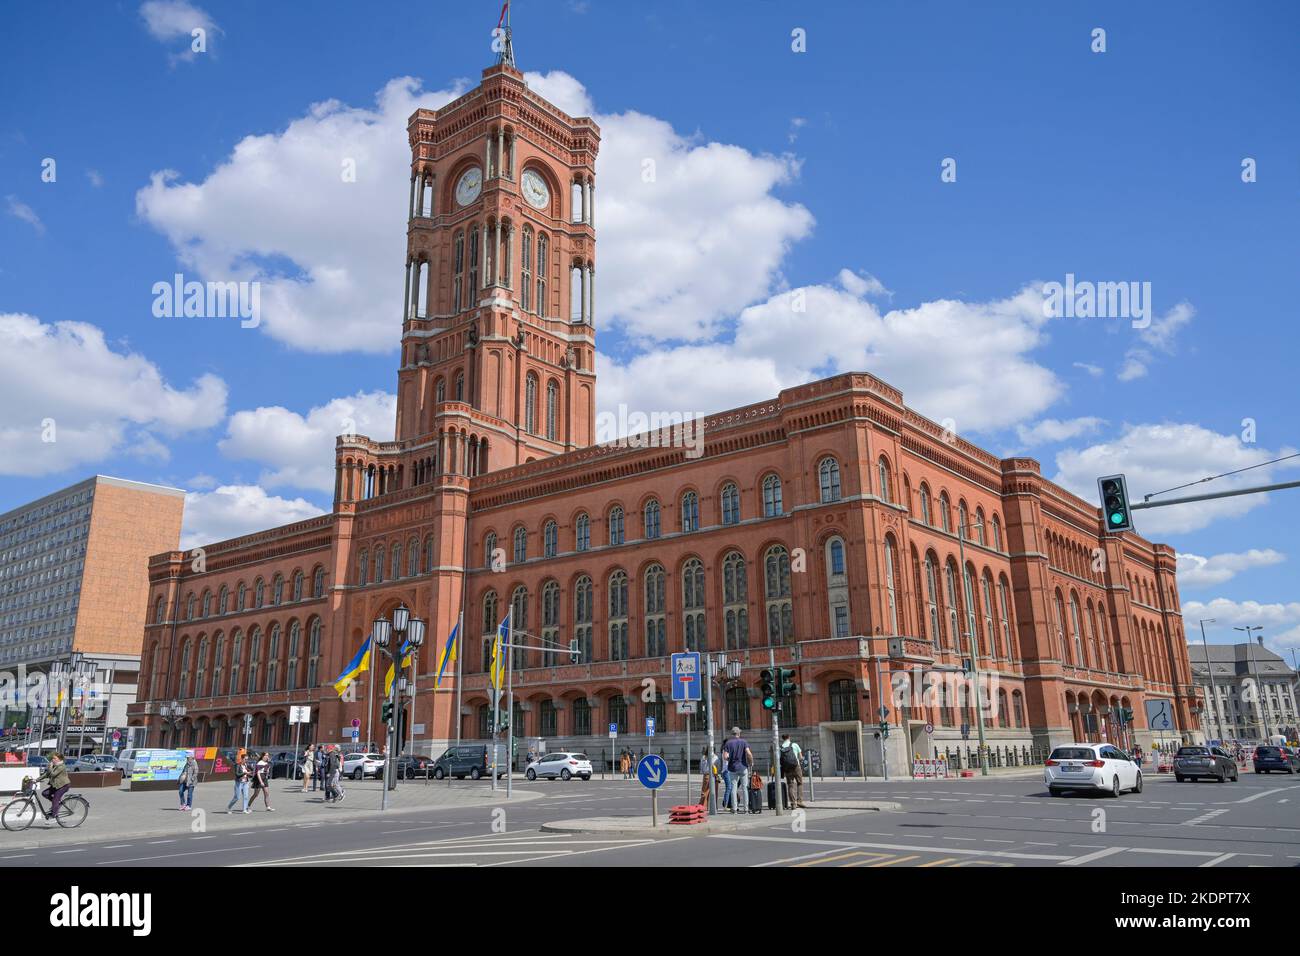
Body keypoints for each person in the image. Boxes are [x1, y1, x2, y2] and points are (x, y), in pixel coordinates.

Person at [721, 727, 752, 813]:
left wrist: (730, 760)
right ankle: (746, 809)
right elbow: (749, 753)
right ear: (739, 733)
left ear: (732, 734)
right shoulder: (744, 742)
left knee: (733, 789)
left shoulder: (728, 743)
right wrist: (751, 762)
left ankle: (734, 809)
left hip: (732, 768)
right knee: (745, 788)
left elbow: (725, 756)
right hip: (743, 767)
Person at [36, 752, 71, 824]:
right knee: (45, 793)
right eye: (53, 758)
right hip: (56, 785)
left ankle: (54, 817)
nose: (53, 759)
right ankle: (56, 805)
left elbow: (53, 774)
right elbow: (47, 774)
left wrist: (50, 767)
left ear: (59, 759)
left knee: (55, 799)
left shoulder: (62, 766)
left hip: (63, 786)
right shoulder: (55, 765)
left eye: (55, 758)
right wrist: (36, 780)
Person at [780, 734, 807, 808]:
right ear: (789, 737)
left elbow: (780, 759)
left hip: (787, 768)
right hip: (796, 766)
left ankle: (793, 803)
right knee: (799, 783)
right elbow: (801, 757)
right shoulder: (794, 745)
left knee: (790, 785)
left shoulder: (781, 747)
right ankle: (799, 801)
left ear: (783, 739)